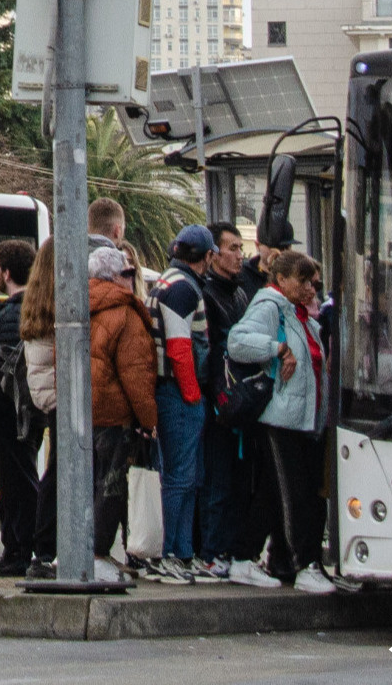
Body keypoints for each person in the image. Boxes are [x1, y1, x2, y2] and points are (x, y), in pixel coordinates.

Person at [229, 249, 335, 593]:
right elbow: (238, 341)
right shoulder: (271, 305)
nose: (309, 288)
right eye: (303, 281)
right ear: (283, 280)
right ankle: (304, 563)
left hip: (299, 418)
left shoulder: (295, 312)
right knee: (296, 495)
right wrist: (278, 349)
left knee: (273, 494)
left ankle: (250, 558)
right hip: (283, 417)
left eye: (312, 283)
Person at [145, 225, 216, 582]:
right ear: (205, 258)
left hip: (169, 388)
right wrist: (192, 395)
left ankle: (182, 551)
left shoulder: (166, 281)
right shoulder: (184, 289)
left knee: (183, 476)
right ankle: (173, 550)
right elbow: (179, 348)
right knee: (180, 476)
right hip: (177, 390)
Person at [196, 222, 266, 585]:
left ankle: (230, 550)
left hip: (241, 398)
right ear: (213, 254)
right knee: (218, 480)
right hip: (221, 399)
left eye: (242, 248)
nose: (240, 255)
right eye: (233, 248)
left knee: (240, 481)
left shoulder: (239, 292)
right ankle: (212, 552)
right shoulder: (209, 294)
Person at [86, 241, 158, 584]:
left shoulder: (78, 305)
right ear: (116, 275)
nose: (131, 278)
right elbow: (136, 373)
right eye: (127, 272)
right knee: (112, 486)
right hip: (116, 414)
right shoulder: (126, 312)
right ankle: (99, 553)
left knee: (90, 483)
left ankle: (89, 551)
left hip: (85, 413)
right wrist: (149, 420)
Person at [0, 238, 41, 577]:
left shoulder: (15, 311)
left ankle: (19, 549)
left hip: (11, 414)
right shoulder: (20, 308)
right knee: (13, 481)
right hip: (15, 414)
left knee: (16, 482)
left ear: (7, 272)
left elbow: (11, 370)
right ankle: (14, 548)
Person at [19, 240, 61, 577]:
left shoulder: (37, 300)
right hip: (63, 395)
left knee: (55, 470)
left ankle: (44, 548)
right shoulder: (64, 301)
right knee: (62, 471)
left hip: (46, 395)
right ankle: (46, 548)